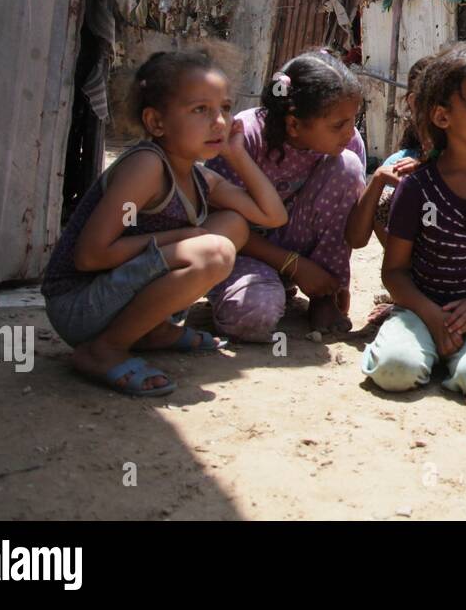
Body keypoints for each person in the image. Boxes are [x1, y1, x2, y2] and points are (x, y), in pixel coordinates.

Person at [42, 50, 286, 396]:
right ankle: (104, 350)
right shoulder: (146, 166)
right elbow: (90, 257)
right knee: (213, 251)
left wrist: (237, 153)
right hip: (79, 305)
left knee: (234, 225)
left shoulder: (202, 179)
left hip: (115, 297)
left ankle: (150, 330)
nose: (219, 122)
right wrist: (180, 236)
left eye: (225, 108)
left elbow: (273, 216)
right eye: (201, 110)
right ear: (157, 123)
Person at [360, 43, 466, 397]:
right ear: (442, 117)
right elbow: (393, 271)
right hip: (419, 310)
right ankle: (424, 348)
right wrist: (432, 317)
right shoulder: (416, 187)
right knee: (395, 371)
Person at [206, 50, 366, 339]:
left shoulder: (348, 145)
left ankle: (322, 295)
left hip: (302, 250)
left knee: (349, 167)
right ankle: (271, 286)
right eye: (339, 124)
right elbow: (217, 227)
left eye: (353, 120)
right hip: (246, 251)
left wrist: (334, 281)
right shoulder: (244, 138)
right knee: (253, 315)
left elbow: (345, 226)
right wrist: (293, 265)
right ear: (293, 124)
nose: (350, 131)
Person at [364, 55, 466, 245]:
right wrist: (380, 178)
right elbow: (359, 238)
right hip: (420, 266)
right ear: (414, 103)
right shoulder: (396, 166)